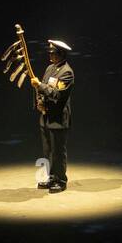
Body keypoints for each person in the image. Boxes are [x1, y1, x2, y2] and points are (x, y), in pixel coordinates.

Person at [29, 40, 74, 192]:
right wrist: (40, 102)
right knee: (47, 150)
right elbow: (41, 89)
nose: (50, 55)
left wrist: (39, 86)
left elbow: (57, 94)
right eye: (49, 52)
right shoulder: (50, 68)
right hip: (46, 116)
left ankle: (60, 180)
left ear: (61, 54)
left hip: (58, 118)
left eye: (53, 53)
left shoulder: (67, 72)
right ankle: (51, 177)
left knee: (58, 152)